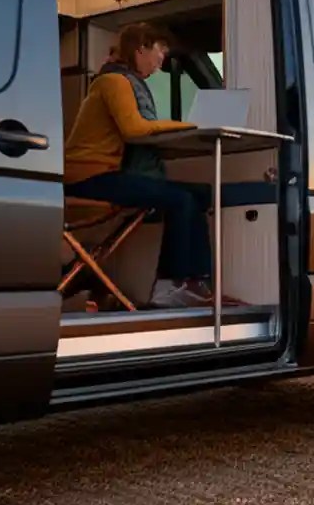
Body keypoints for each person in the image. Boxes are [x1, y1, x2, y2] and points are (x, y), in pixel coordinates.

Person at [64, 22, 214, 309]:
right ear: (141, 47)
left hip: (105, 173)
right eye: (160, 51)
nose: (161, 60)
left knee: (199, 194)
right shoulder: (113, 81)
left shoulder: (123, 80)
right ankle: (171, 285)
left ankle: (194, 281)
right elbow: (134, 129)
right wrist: (193, 125)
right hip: (87, 176)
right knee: (179, 199)